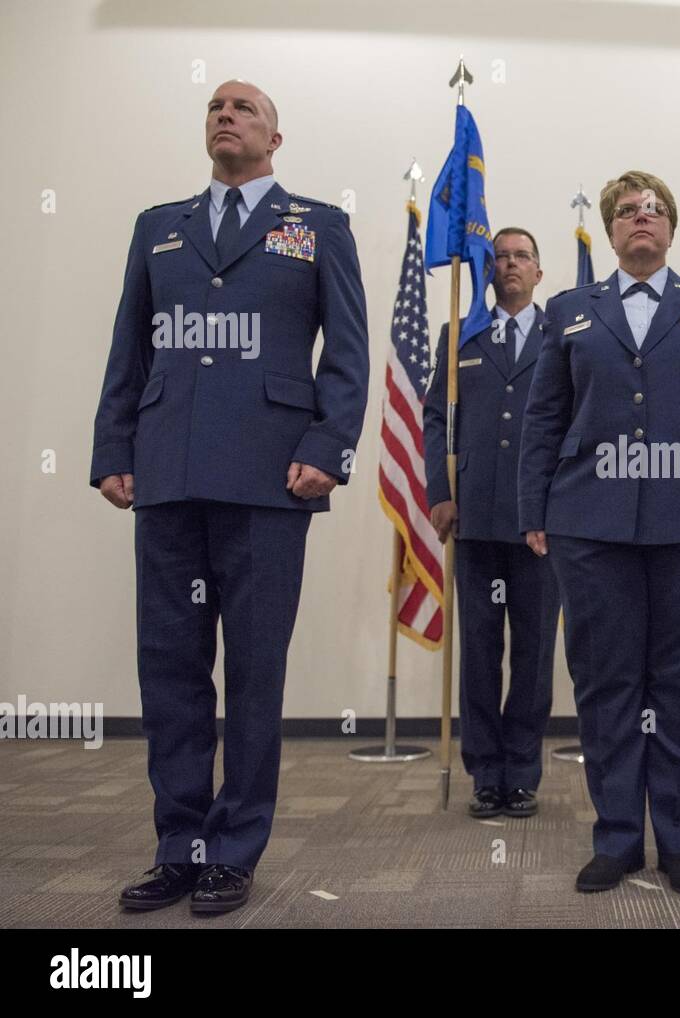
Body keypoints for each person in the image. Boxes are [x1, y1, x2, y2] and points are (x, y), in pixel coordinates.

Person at [91, 79, 369, 914]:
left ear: (274, 139)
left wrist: (328, 448)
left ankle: (235, 848)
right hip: (168, 474)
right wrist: (112, 449)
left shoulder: (318, 226)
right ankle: (180, 844)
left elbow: (348, 355)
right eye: (217, 106)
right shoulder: (158, 228)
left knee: (254, 670)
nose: (227, 115)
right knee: (170, 668)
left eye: (245, 108)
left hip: (268, 478)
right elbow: (128, 349)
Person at [518, 170, 680, 896]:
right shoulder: (569, 310)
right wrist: (531, 510)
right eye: (629, 211)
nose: (643, 219)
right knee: (606, 684)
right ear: (610, 228)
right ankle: (618, 838)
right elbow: (544, 416)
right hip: (590, 523)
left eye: (656, 210)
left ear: (672, 228)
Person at [423, 227, 561, 820]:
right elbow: (435, 419)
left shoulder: (565, 335)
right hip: (474, 513)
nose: (510, 264)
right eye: (501, 256)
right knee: (479, 651)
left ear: (539, 271)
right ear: (488, 269)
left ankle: (522, 773)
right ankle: (486, 773)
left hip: (541, 523)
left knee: (532, 653)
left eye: (522, 256)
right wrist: (440, 491)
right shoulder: (459, 338)